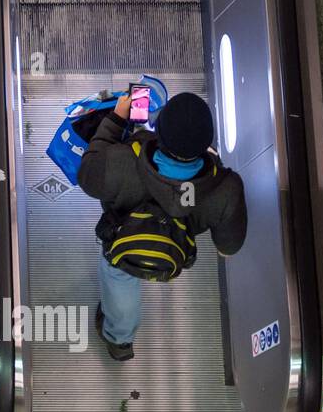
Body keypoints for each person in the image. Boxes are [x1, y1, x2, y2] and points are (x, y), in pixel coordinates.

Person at [77, 90, 247, 361]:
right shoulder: (226, 188)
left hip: (122, 244)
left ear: (159, 131)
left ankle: (120, 341)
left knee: (120, 280)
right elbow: (228, 247)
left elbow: (86, 175)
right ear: (207, 142)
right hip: (173, 252)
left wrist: (115, 121)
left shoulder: (119, 162)